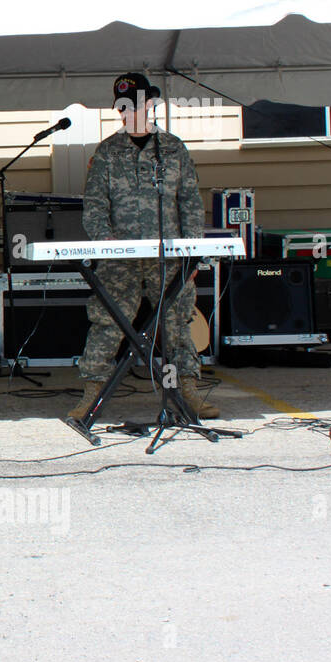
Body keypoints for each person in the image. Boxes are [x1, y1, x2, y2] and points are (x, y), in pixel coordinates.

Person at [67, 72, 218, 421]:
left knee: (178, 321)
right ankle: (92, 392)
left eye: (136, 103)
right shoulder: (106, 152)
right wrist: (106, 242)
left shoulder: (173, 148)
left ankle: (188, 391)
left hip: (168, 259)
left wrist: (194, 253)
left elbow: (190, 202)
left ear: (150, 104)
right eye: (123, 105)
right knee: (107, 322)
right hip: (121, 260)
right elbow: (95, 206)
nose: (129, 111)